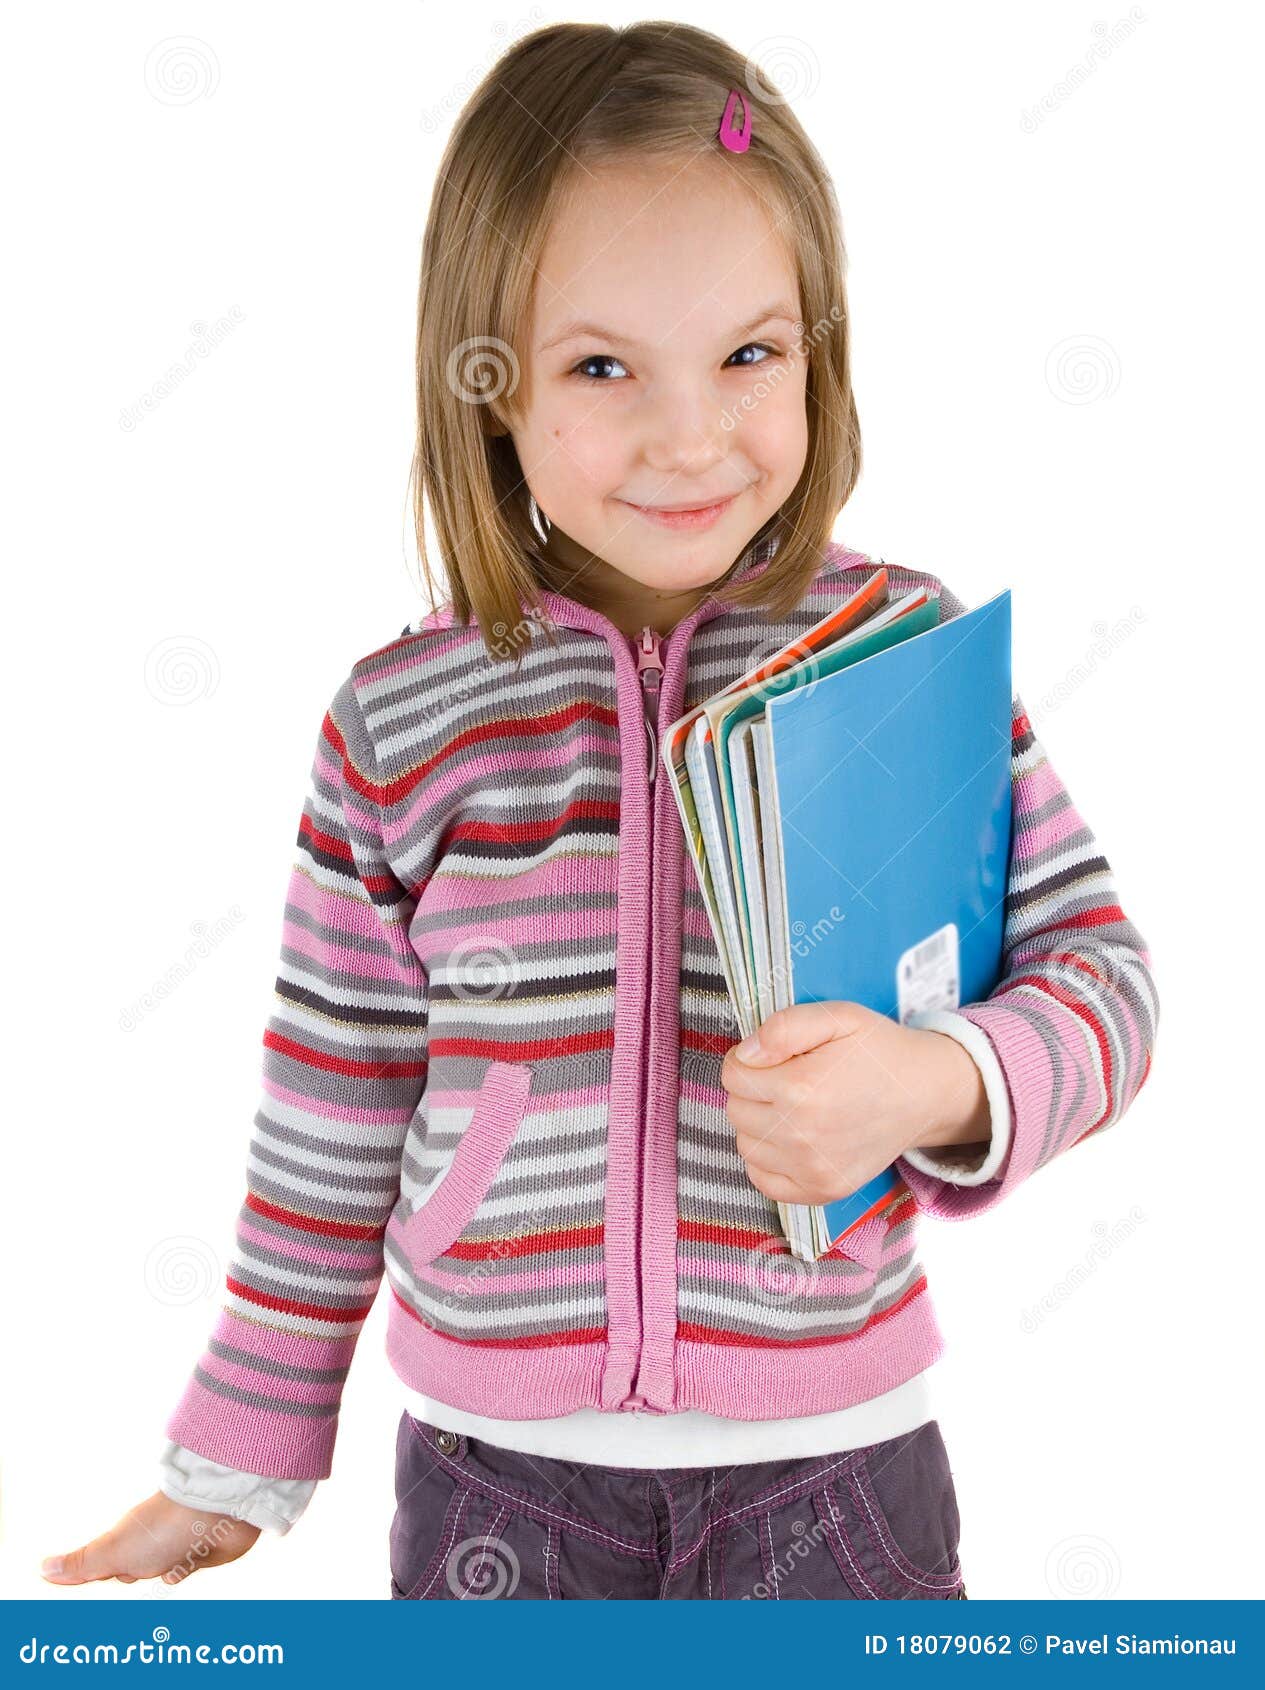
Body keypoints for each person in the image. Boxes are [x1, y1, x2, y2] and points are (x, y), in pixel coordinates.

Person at [41, 20, 1158, 1600]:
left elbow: (1105, 982)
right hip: (498, 1496)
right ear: (487, 386)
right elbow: (330, 1118)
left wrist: (938, 1079)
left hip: (839, 1485)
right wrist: (238, 1460)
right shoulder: (399, 723)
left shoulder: (904, 661)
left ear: (816, 352)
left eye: (748, 355)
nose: (691, 434)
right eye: (600, 366)